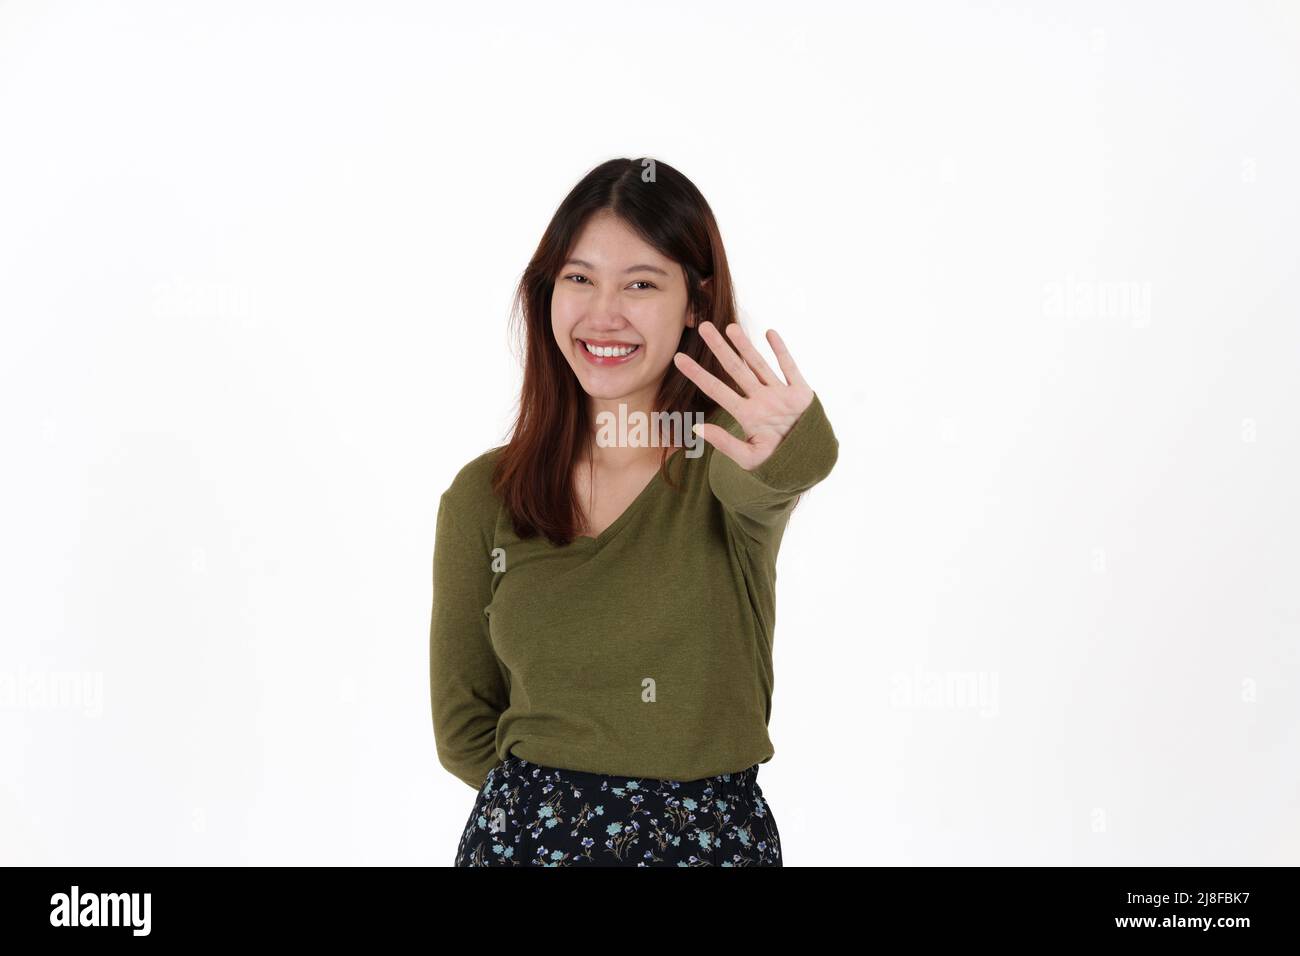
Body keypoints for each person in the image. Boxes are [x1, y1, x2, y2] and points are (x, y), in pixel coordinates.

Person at [430, 157, 838, 866]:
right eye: (579, 278)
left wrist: (791, 441)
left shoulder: (724, 461)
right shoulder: (484, 496)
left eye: (641, 283)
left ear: (694, 303)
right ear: (547, 292)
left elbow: (781, 474)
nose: (603, 314)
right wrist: (553, 811)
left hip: (705, 847)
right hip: (523, 846)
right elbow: (464, 727)